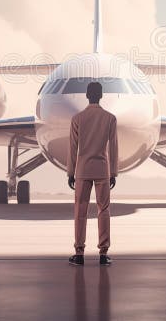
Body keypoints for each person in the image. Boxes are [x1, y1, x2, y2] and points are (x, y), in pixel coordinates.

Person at [67, 81, 119, 267]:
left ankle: (79, 253)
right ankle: (103, 254)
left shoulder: (77, 119)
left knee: (80, 211)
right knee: (103, 210)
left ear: (87, 96)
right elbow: (113, 148)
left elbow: (73, 148)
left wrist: (71, 172)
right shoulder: (110, 118)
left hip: (82, 170)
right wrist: (113, 172)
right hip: (102, 170)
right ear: (101, 95)